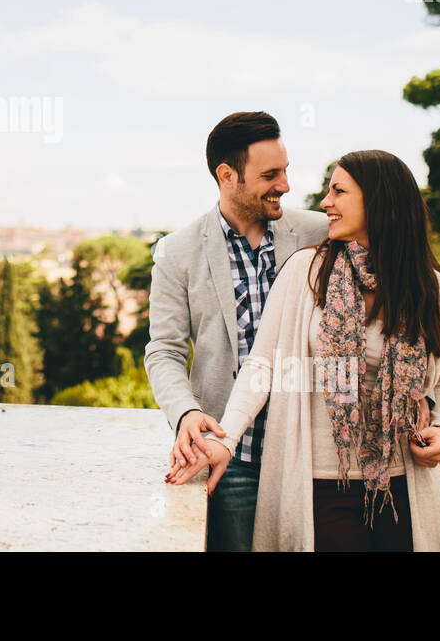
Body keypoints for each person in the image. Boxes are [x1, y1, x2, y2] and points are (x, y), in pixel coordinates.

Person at [167, 149, 440, 551]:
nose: (326, 203)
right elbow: (263, 365)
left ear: (378, 201)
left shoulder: (438, 292)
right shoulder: (306, 273)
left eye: (339, 191)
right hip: (322, 486)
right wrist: (226, 438)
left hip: (403, 485)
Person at [145, 111, 328, 551]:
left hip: (309, 450)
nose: (285, 184)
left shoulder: (319, 232)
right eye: (270, 174)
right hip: (231, 459)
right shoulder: (177, 251)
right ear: (227, 175)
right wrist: (186, 413)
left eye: (285, 170)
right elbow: (164, 351)